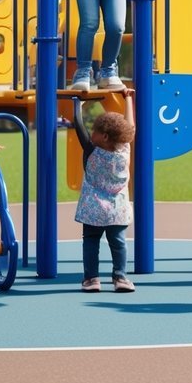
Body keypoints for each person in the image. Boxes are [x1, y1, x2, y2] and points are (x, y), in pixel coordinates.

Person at [76, 110, 137, 293]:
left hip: (93, 208)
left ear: (103, 136)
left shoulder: (92, 152)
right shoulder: (124, 153)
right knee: (118, 243)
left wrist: (78, 104)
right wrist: (128, 99)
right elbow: (131, 129)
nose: (91, 133)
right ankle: (120, 277)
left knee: (91, 241)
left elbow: (79, 126)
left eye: (94, 130)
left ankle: (91, 279)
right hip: (117, 210)